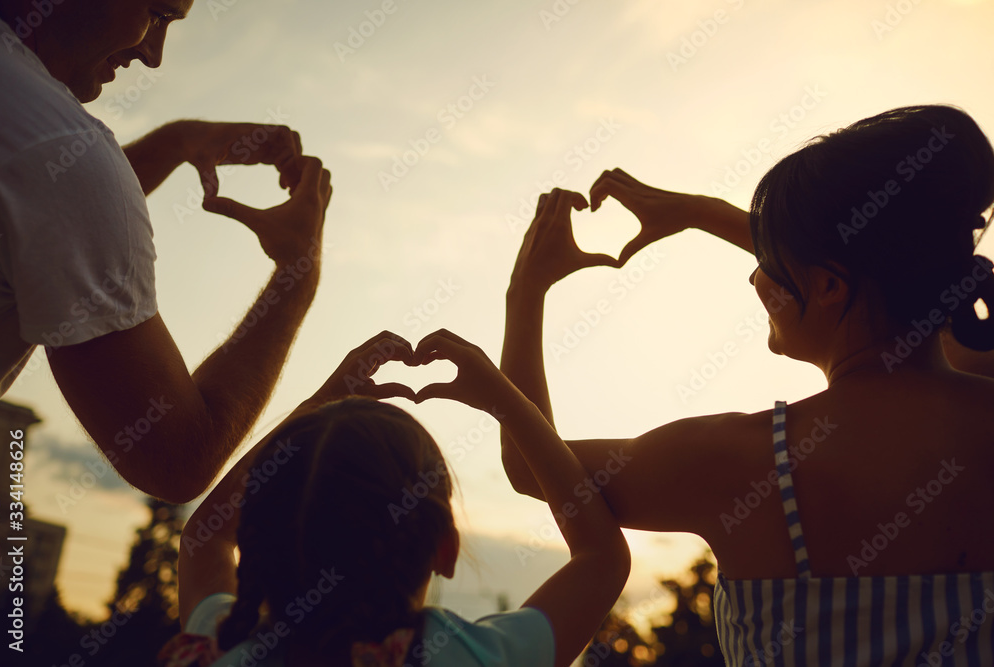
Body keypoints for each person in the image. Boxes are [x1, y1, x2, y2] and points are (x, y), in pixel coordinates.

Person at [500, 105, 994, 664]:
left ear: (829, 285)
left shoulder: (748, 463)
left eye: (771, 258)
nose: (756, 275)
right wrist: (704, 213)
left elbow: (528, 464)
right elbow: (905, 288)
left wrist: (526, 290)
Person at [0, 0, 331, 530]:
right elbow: (177, 458)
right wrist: (298, 271)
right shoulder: (64, 151)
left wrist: (179, 142)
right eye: (157, 13)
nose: (153, 55)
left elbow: (38, 203)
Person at [164, 330, 630, 666]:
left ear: (259, 546)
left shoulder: (219, 649)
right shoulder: (472, 659)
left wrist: (316, 409)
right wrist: (505, 402)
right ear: (445, 549)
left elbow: (205, 539)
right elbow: (602, 556)